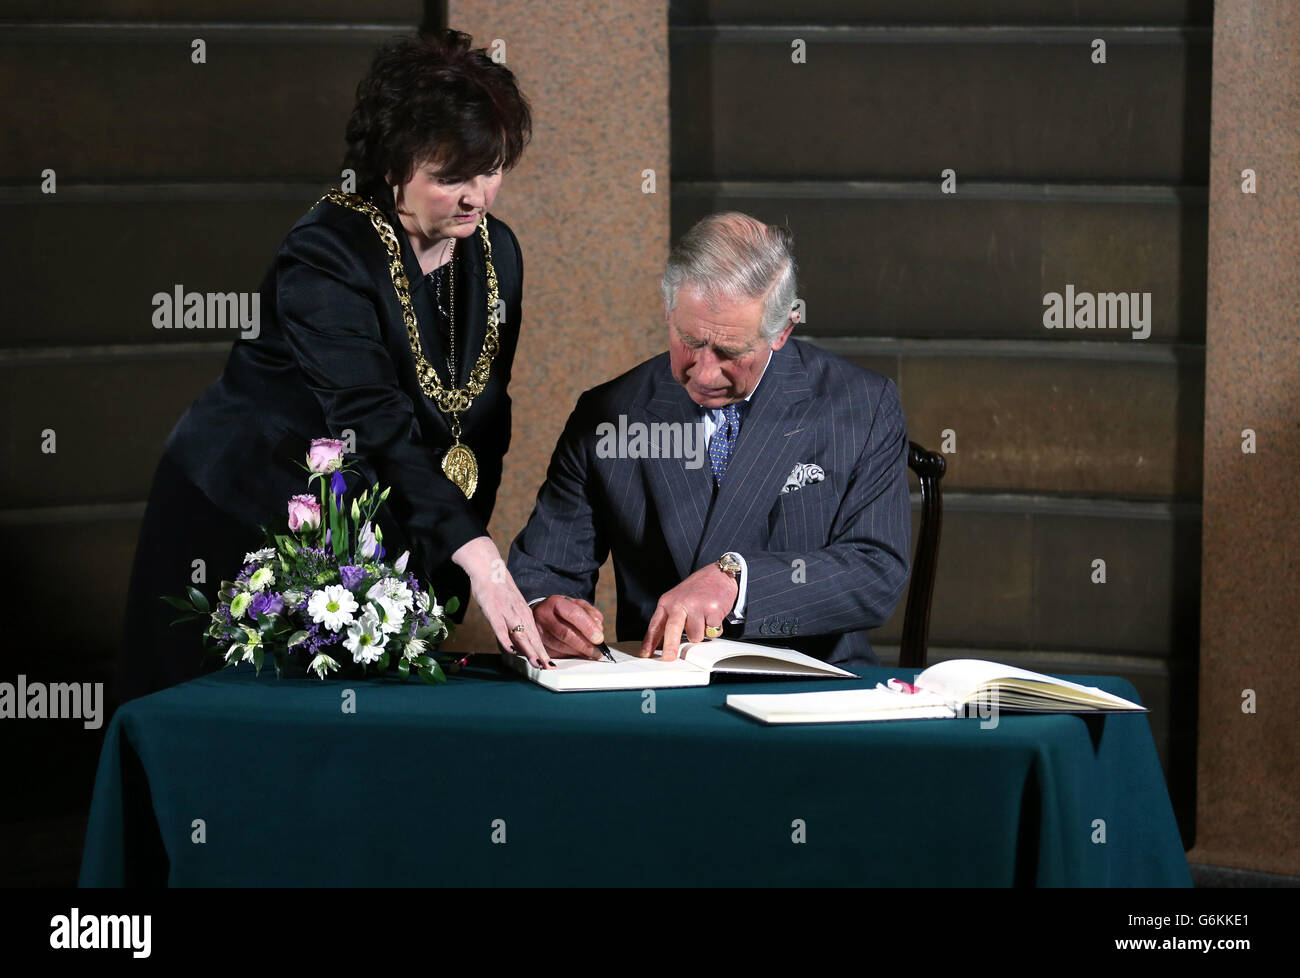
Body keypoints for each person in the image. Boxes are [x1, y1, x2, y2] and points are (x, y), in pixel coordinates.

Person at [118, 30, 551, 704]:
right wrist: (481, 557)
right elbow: (374, 428)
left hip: (377, 512)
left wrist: (455, 572)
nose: (478, 197)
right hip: (249, 516)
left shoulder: (499, 251)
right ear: (394, 163)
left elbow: (483, 420)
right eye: (451, 178)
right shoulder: (327, 252)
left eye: (491, 169)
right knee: (241, 735)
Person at [508, 212, 911, 665]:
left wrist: (737, 583)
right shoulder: (607, 414)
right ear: (668, 305)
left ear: (781, 331)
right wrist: (543, 611)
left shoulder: (862, 404)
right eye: (688, 339)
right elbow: (544, 570)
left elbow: (876, 574)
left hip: (814, 690)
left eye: (730, 352)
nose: (703, 373)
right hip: (659, 691)